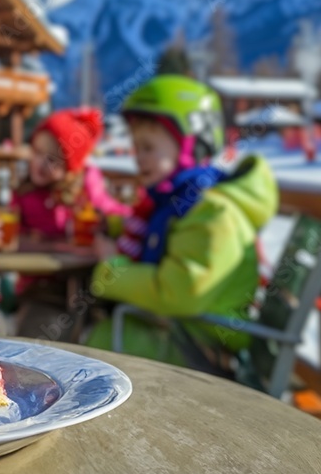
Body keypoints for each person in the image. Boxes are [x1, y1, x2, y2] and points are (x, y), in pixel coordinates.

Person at [85, 75, 278, 369]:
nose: (139, 159)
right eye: (136, 148)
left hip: (203, 349)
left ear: (192, 146)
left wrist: (110, 270)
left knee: (88, 346)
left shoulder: (213, 213)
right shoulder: (183, 203)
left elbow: (179, 293)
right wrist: (113, 228)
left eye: (148, 148)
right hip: (185, 331)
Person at [14, 107, 132, 242]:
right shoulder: (24, 191)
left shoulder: (85, 188)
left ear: (70, 168)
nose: (41, 163)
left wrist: (107, 222)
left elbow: (117, 212)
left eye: (52, 159)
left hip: (82, 260)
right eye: (37, 152)